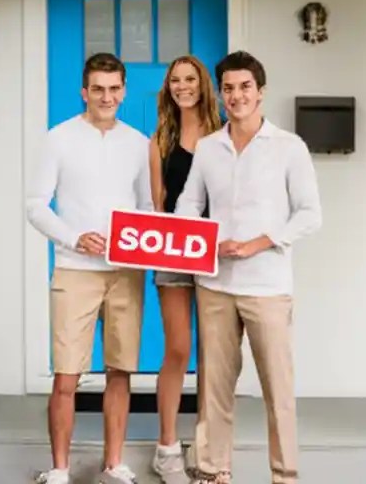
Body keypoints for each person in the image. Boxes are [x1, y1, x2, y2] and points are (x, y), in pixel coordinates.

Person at [175, 51, 321, 484]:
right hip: (215, 284)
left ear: (260, 92)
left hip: (268, 287)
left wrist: (260, 242)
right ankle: (213, 471)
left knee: (278, 389)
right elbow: (188, 204)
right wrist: (204, 240)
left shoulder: (289, 147)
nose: (236, 95)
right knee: (214, 389)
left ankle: (285, 476)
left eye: (244, 87)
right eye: (228, 88)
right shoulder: (208, 147)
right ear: (220, 94)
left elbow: (310, 214)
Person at [25, 52, 154, 484]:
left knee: (121, 370)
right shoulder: (59, 138)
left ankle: (114, 463)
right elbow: (36, 205)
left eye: (114, 89)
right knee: (66, 375)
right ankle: (59, 469)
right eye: (98, 89)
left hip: (125, 271)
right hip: (74, 269)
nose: (106, 97)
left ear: (124, 91)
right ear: (84, 92)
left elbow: (147, 207)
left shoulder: (139, 144)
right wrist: (74, 237)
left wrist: (137, 243)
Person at [146, 55, 222, 483]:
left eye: (190, 78)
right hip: (174, 253)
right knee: (178, 348)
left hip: (217, 256)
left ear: (202, 83)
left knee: (215, 354)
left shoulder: (223, 134)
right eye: (175, 80)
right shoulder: (160, 139)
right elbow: (158, 204)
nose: (182, 86)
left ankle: (207, 448)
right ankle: (167, 447)